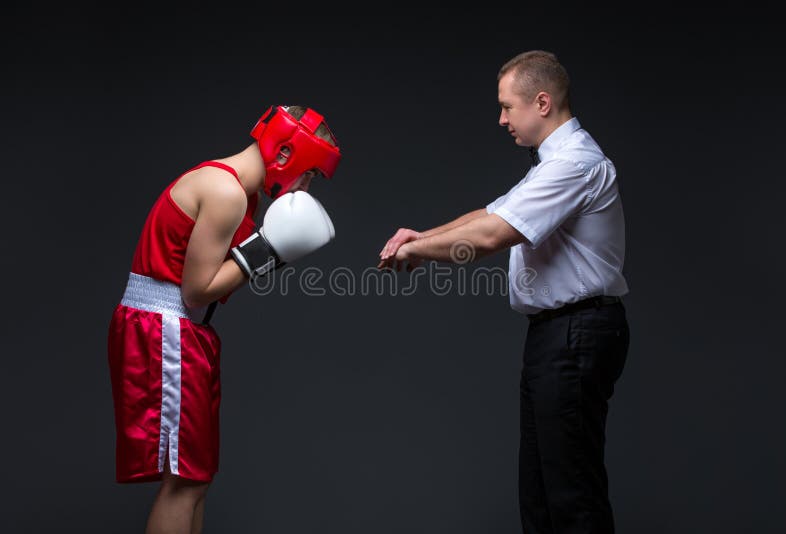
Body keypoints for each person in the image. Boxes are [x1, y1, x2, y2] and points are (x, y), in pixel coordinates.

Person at [378, 50, 630, 534]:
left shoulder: (575, 165)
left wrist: (416, 254)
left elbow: (493, 237)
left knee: (571, 495)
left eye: (507, 107)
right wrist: (419, 236)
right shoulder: (548, 166)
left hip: (576, 334)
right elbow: (490, 214)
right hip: (556, 337)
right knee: (540, 494)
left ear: (541, 102)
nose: (501, 119)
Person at [107, 105, 341, 534]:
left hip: (177, 330)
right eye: (309, 175)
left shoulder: (235, 190)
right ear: (286, 155)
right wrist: (272, 250)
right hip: (164, 330)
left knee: (195, 479)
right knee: (184, 483)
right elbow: (196, 289)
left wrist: (269, 252)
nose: (306, 188)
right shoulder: (226, 192)